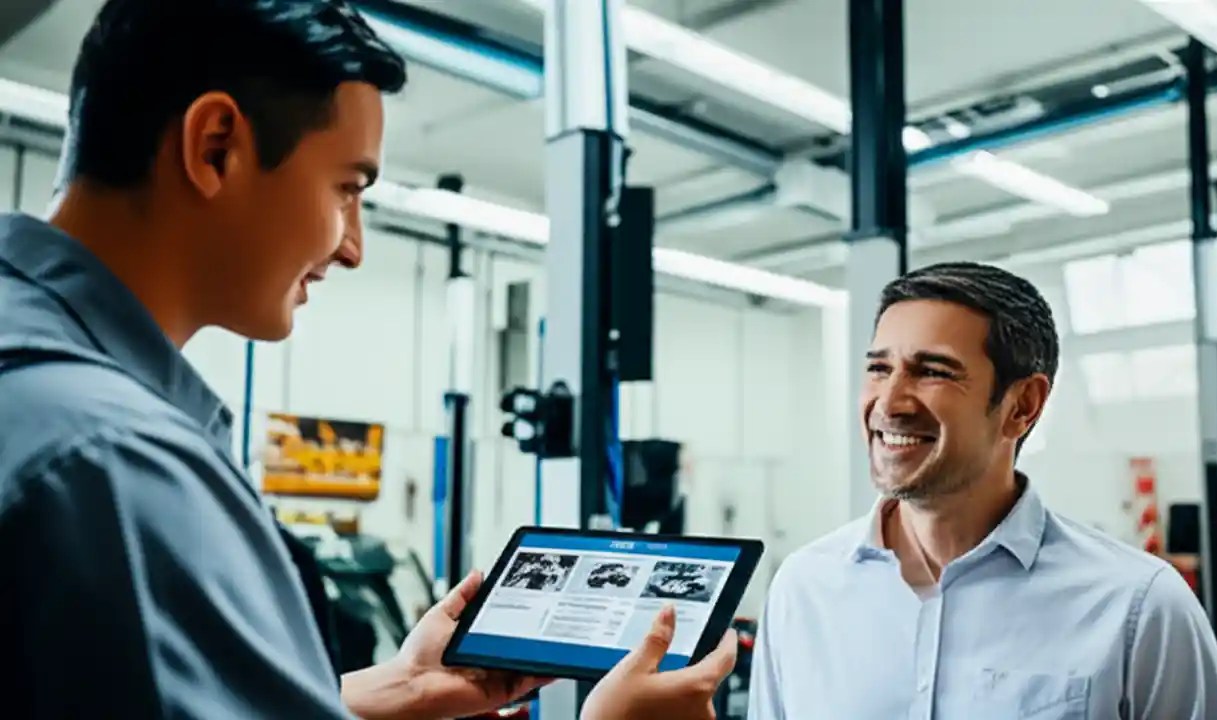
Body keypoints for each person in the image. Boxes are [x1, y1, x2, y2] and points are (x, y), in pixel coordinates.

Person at [0, 1, 734, 718]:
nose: (352, 247)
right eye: (346, 189)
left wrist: (394, 691)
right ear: (215, 147)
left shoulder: (37, 382)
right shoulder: (117, 463)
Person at [747, 262, 1217, 719]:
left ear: (1023, 405)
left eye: (933, 371)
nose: (890, 402)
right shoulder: (804, 589)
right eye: (879, 369)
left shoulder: (1140, 606)